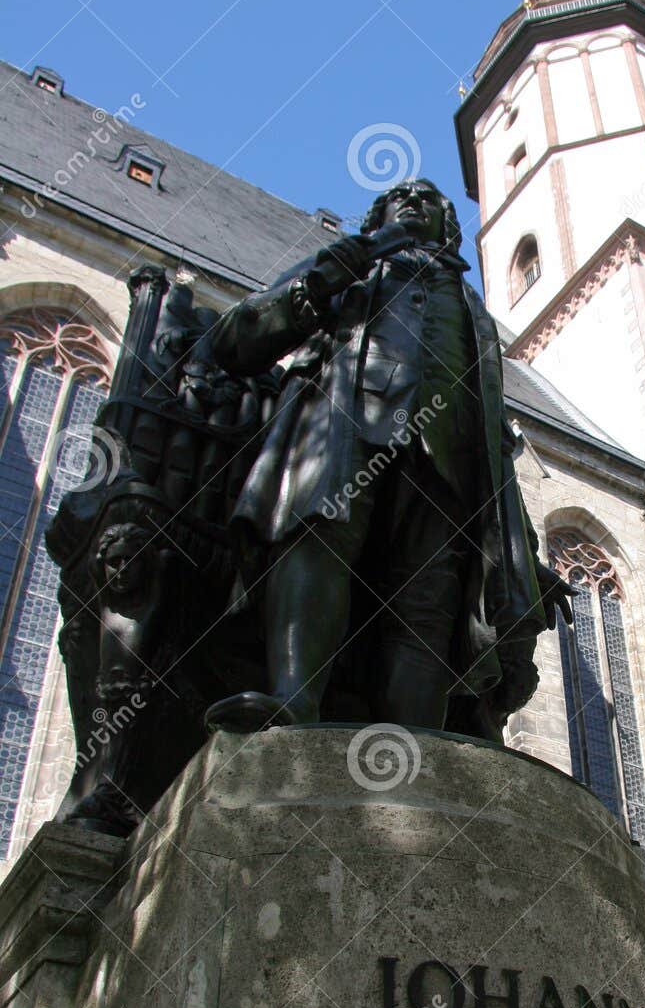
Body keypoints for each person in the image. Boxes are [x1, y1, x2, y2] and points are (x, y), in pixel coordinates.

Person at [203, 178, 566, 733]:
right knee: (319, 536)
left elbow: (496, 431)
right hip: (344, 422)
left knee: (428, 601)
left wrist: (521, 548)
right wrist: (327, 275)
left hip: (447, 457)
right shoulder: (350, 268)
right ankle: (292, 701)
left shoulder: (471, 306)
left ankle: (413, 753)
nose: (417, 202)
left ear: (451, 229)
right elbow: (236, 341)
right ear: (378, 220)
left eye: (431, 200)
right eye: (402, 197)